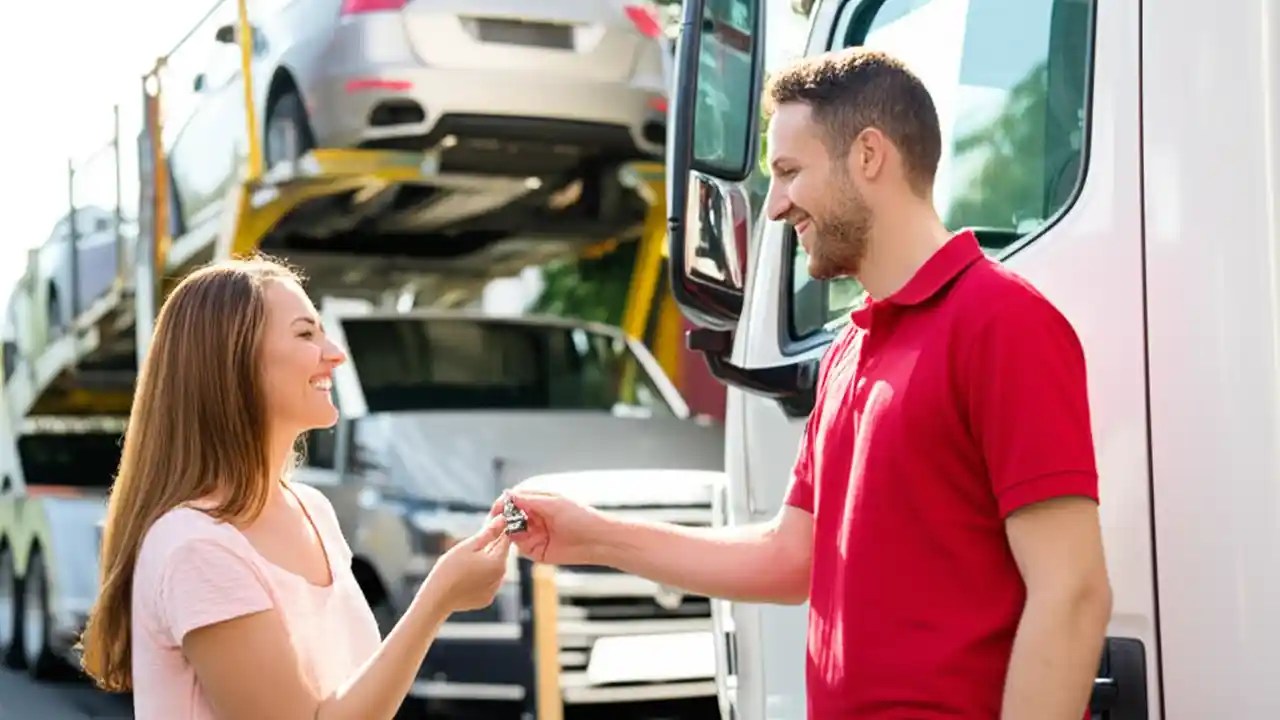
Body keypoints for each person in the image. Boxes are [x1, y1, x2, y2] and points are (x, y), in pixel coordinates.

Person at [495, 48, 1112, 720]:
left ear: (869, 156)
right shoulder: (851, 349)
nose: (777, 206)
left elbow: (1073, 592)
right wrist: (593, 537)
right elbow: (789, 558)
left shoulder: (1003, 322)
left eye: (789, 172)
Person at [80, 255, 511, 720]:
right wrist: (437, 600)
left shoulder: (312, 509)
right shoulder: (197, 548)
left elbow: (354, 698)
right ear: (233, 363)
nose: (335, 354)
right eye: (306, 334)